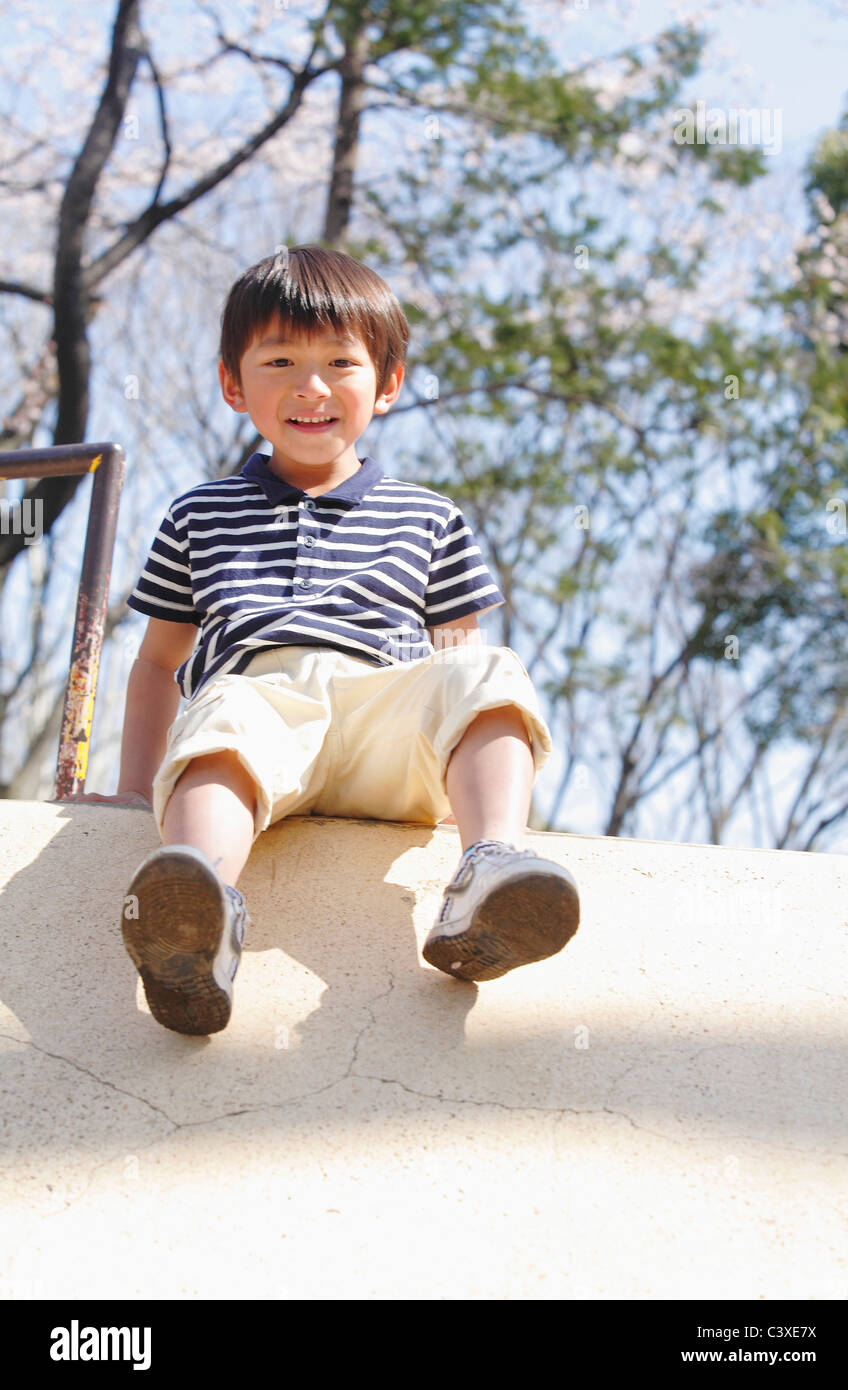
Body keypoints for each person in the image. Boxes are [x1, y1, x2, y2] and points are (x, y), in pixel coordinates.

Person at [97, 245, 579, 1035]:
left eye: (339, 363)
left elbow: (458, 667)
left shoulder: (429, 517)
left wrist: (469, 800)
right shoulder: (199, 514)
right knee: (222, 717)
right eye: (279, 359)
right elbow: (158, 664)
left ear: (386, 385)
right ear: (233, 383)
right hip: (264, 708)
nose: (309, 386)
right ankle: (196, 910)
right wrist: (128, 787)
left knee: (487, 668)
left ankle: (489, 868)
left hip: (384, 715)